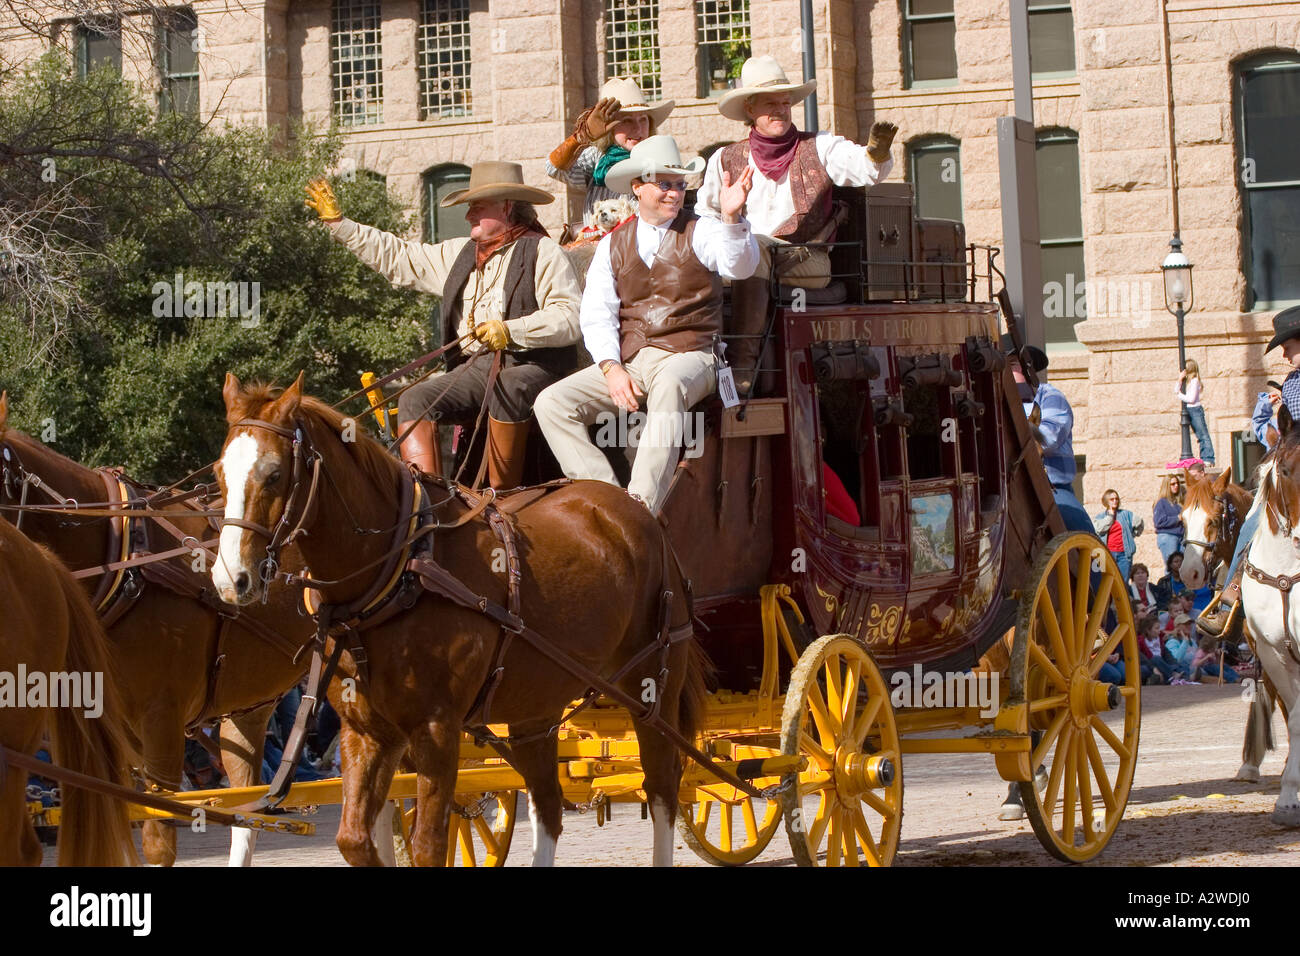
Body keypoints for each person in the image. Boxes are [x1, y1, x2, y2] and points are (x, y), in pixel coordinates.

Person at [305, 164, 582, 489]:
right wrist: (341, 225)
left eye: (477, 207)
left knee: (509, 385)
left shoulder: (543, 251)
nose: (468, 216)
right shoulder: (460, 254)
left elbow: (571, 316)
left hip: (535, 367)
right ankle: (429, 505)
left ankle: (503, 499)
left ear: (506, 206)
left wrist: (511, 331)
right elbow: (400, 257)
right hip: (477, 370)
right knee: (414, 399)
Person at [533, 135, 758, 515]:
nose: (674, 193)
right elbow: (597, 313)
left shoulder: (701, 230)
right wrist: (610, 367)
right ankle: (606, 502)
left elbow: (739, 265)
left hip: (693, 355)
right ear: (638, 187)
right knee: (551, 402)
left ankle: (640, 509)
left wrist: (733, 217)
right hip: (634, 360)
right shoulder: (611, 244)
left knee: (670, 385)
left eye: (680, 185)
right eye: (665, 184)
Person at [695, 55, 897, 391]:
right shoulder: (724, 158)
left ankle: (744, 367)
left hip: (809, 259)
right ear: (749, 109)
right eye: (770, 103)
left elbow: (862, 167)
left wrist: (875, 153)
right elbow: (706, 217)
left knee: (751, 246)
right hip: (747, 260)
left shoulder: (820, 147)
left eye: (785, 102)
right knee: (745, 248)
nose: (780, 110)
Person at [1201, 304, 1300, 637]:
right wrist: (1269, 422)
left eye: (1288, 347)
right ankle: (1230, 601)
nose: (1285, 355)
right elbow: (1276, 434)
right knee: (1252, 523)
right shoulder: (1290, 385)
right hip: (1286, 470)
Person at [546, 77, 674, 229]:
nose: (638, 129)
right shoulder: (597, 157)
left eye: (643, 119)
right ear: (607, 126)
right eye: (627, 120)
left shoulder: (660, 158)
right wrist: (581, 137)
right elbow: (554, 169)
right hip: (599, 248)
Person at [1004, 336, 1094, 534]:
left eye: (1013, 365)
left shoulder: (1049, 396)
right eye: (1005, 367)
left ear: (1029, 369)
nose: (1008, 373)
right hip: (1007, 490)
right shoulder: (995, 402)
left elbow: (1048, 439)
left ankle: (1096, 565)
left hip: (1051, 488)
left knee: (1086, 539)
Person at [1093, 489, 1143, 583]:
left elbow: (1139, 522)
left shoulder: (1125, 514)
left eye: (1116, 499)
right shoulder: (1101, 517)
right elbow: (1099, 529)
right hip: (1107, 554)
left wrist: (1132, 534)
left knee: (1122, 583)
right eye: (1112, 499)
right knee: (1105, 582)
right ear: (1106, 501)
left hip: (1124, 555)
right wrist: (1110, 517)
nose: (1115, 501)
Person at [1177, 359, 1216, 466]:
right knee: (1200, 436)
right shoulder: (1187, 382)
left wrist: (1179, 395)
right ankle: (1205, 458)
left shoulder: (1195, 381)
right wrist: (1180, 380)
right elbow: (1175, 390)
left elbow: (1191, 399)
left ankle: (1208, 458)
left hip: (1195, 410)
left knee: (1203, 435)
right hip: (1189, 410)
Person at [1152, 472, 1185, 566]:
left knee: (1182, 568)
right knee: (1171, 568)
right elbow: (1159, 522)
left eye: (1177, 483)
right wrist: (1177, 518)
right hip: (1168, 537)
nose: (1176, 486)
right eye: (1173, 484)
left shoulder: (1178, 502)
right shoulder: (1161, 502)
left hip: (1181, 537)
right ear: (1167, 486)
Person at [1251, 379, 1284, 451]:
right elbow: (1259, 423)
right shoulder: (1275, 426)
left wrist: (1266, 402)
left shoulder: (1275, 427)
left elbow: (1259, 422)